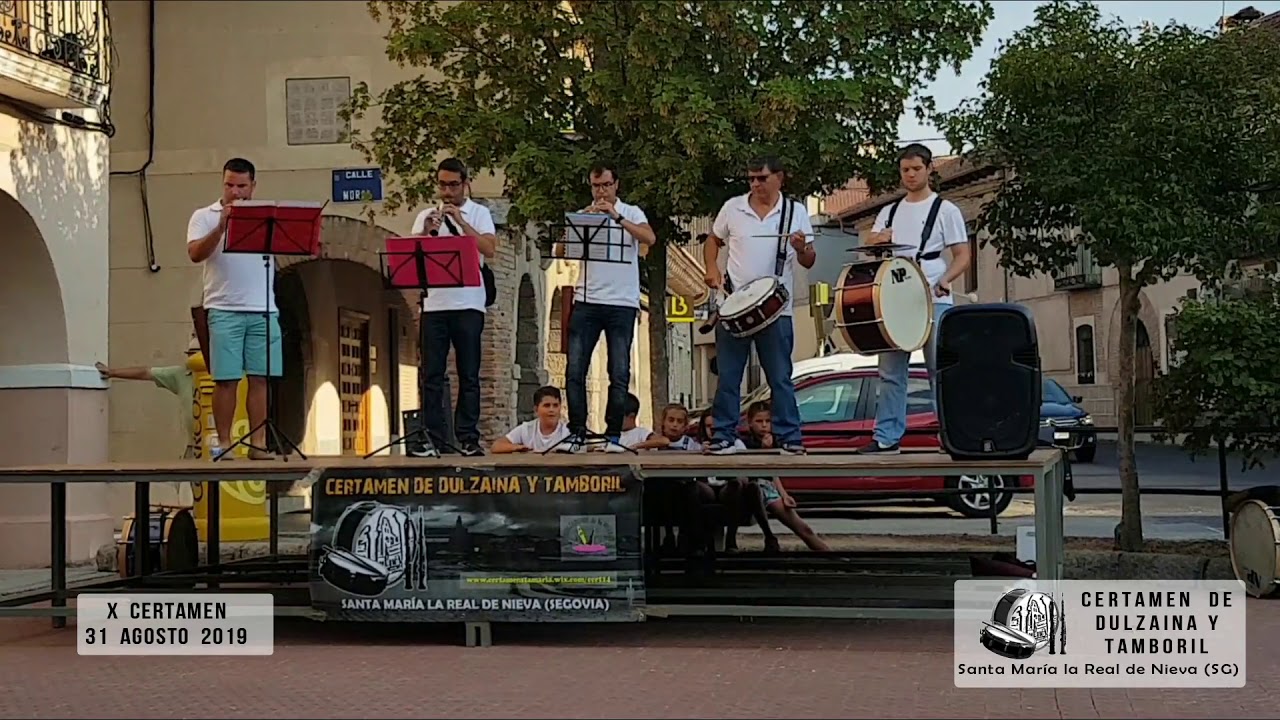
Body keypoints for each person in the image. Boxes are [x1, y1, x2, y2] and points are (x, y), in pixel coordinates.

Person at [857, 144, 971, 455]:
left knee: (941, 369)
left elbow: (963, 255)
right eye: (905, 170)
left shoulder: (945, 210)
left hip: (933, 297)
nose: (910, 175)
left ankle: (951, 435)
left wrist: (946, 280)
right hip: (895, 300)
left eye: (916, 169)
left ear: (929, 169)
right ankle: (887, 436)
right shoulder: (890, 211)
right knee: (891, 371)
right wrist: (877, 240)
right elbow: (870, 245)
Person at [702, 156, 816, 456]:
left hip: (777, 309)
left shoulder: (796, 212)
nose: (755, 184)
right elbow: (713, 240)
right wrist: (712, 268)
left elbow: (808, 259)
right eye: (751, 178)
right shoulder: (733, 207)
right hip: (735, 304)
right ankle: (724, 436)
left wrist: (800, 247)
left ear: (779, 177)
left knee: (780, 376)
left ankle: (789, 437)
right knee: (729, 375)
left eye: (761, 178)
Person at [186, 157, 278, 460]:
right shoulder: (204, 215)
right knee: (226, 379)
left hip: (263, 308)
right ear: (222, 183)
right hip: (223, 307)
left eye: (241, 186)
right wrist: (221, 228)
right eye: (229, 185)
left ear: (253, 186)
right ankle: (223, 443)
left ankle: (258, 443)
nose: (235, 191)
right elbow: (195, 254)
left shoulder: (268, 219)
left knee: (261, 377)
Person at [563, 162, 656, 451]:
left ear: (616, 185)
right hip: (587, 301)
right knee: (575, 369)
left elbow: (649, 238)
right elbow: (564, 250)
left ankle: (613, 435)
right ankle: (577, 432)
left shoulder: (631, 212)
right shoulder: (583, 215)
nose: (601, 191)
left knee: (618, 371)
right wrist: (583, 224)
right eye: (595, 186)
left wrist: (615, 218)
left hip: (621, 303)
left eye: (605, 185)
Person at [410, 158, 498, 457]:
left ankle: (468, 438)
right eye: (442, 185)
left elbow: (489, 248)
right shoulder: (426, 214)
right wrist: (425, 231)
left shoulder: (480, 213)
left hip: (469, 304)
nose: (447, 192)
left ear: (465, 184)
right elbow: (411, 256)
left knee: (468, 373)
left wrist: (460, 222)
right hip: (434, 305)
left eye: (453, 185)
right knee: (432, 375)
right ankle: (434, 438)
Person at [95, 336, 203, 503]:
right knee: (188, 496)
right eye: (190, 355)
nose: (193, 359)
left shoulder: (222, 376)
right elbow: (146, 372)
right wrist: (113, 372)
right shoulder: (180, 374)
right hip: (193, 448)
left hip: (215, 446)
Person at [491, 386, 572, 454]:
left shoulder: (568, 431)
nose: (551, 410)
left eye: (555, 405)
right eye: (547, 406)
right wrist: (517, 447)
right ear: (536, 409)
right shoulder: (526, 429)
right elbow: (496, 446)